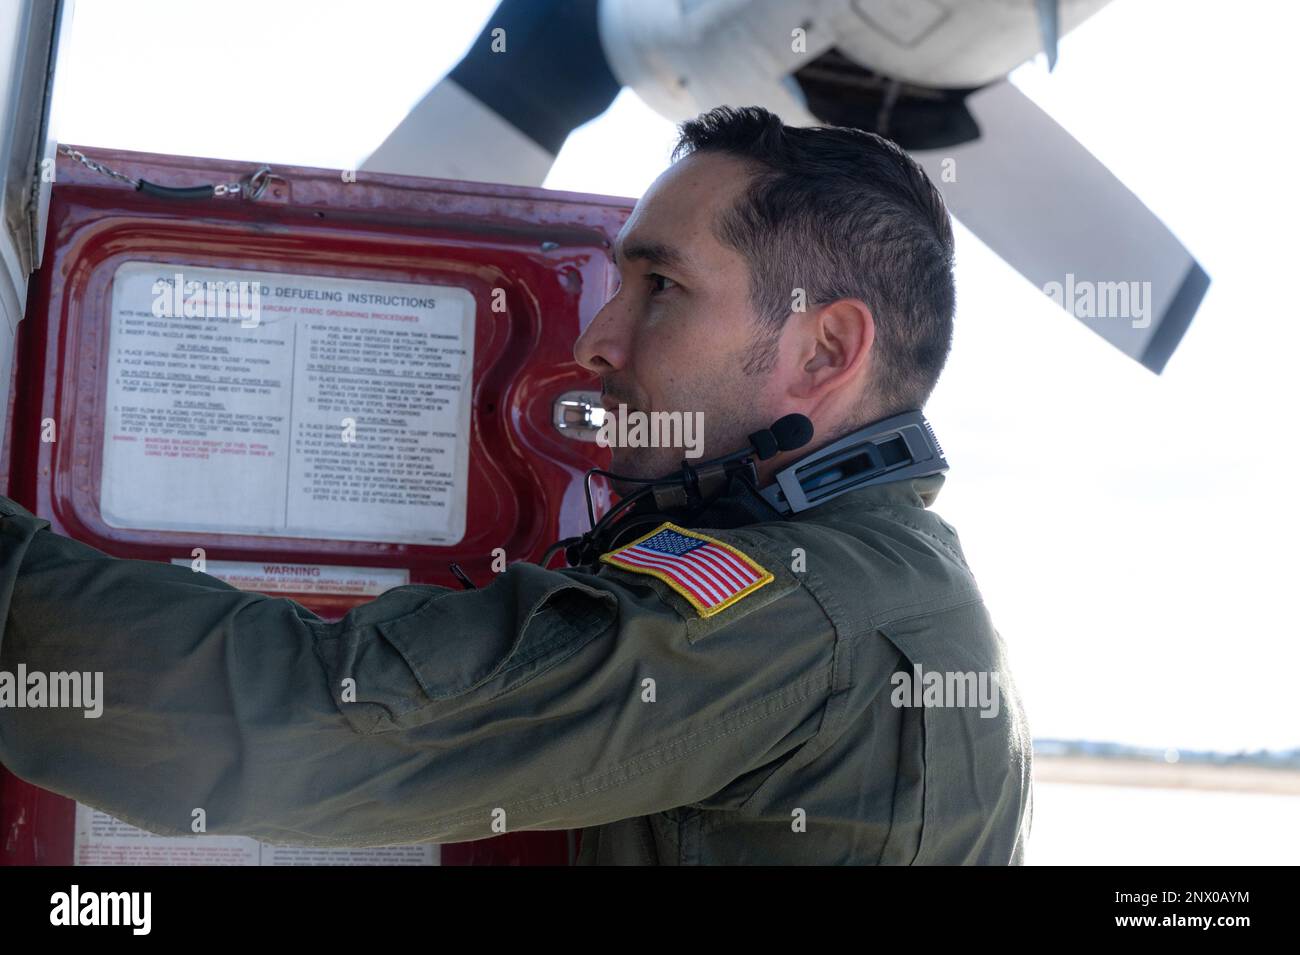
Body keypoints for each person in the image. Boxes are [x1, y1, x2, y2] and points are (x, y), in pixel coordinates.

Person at [0, 105, 1031, 864]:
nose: (595, 338)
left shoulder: (789, 607)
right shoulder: (887, 572)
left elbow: (322, 718)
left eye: (661, 287)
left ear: (825, 348)